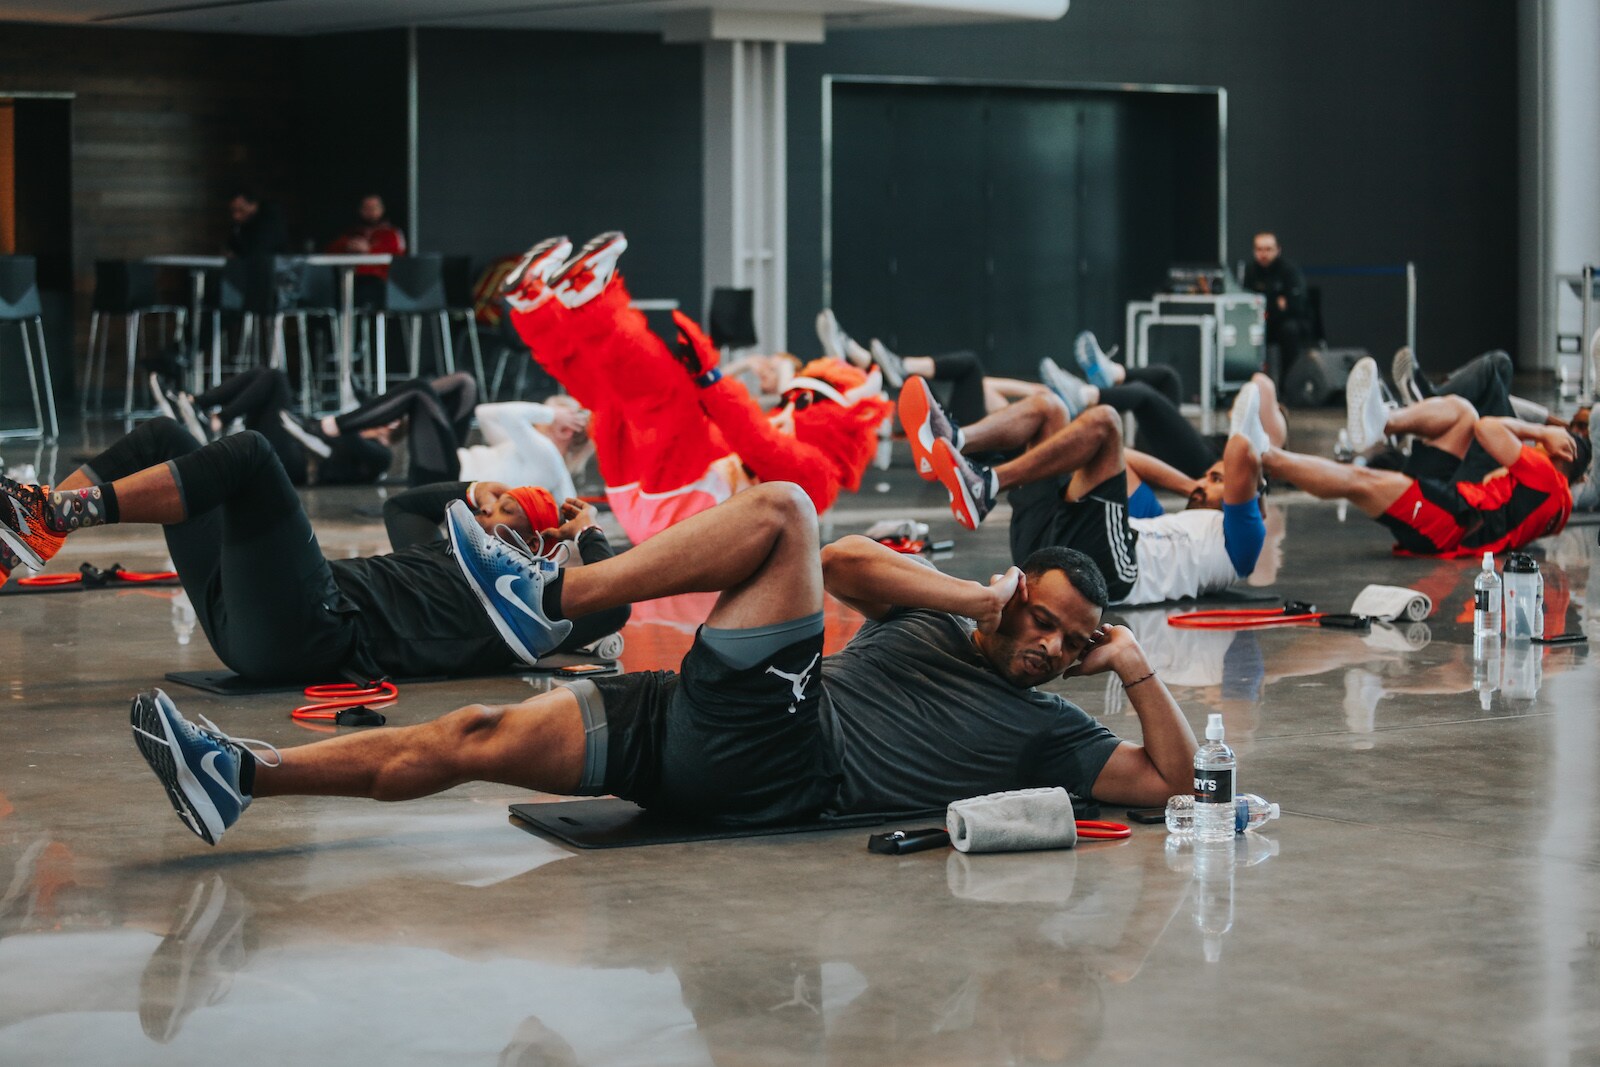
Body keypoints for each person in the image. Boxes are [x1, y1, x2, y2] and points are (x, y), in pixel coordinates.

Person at [124, 476, 1198, 846]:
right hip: (701, 724)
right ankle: (243, 775)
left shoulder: (1056, 731)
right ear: (1015, 600)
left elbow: (1174, 784)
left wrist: (1129, 663)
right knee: (474, 734)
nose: (1051, 647)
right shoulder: (940, 622)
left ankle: (550, 600)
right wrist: (976, 593)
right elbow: (850, 569)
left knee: (784, 510)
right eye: (1043, 620)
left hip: (786, 758)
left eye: (1072, 640)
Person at [0, 422, 628, 679]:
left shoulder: (529, 602)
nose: (487, 515)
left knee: (251, 454)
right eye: (491, 506)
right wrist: (470, 489)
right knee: (163, 439)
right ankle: (39, 527)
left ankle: (49, 513)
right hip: (259, 610)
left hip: (310, 629)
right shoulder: (448, 554)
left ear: (535, 542)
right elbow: (401, 508)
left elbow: (614, 605)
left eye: (505, 512)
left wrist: (586, 533)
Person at [504, 233, 892, 544]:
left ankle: (588, 293)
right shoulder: (790, 444)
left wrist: (710, 380)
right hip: (662, 505)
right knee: (609, 394)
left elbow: (758, 442)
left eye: (803, 399)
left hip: (689, 515)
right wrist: (706, 383)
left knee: (663, 395)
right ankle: (535, 303)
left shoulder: (821, 478)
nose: (790, 405)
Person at [902, 373, 1279, 606]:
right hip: (1046, 555)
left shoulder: (1240, 546)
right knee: (1050, 408)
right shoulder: (1158, 517)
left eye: (1217, 480)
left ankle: (988, 485)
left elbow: (1240, 453)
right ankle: (953, 440)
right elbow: (1124, 459)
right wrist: (1191, 484)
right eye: (1209, 476)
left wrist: (1252, 465)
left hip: (1110, 575)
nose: (1206, 483)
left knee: (1106, 421)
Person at [1263, 357, 1588, 557]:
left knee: (1360, 481)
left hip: (1450, 525)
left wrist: (1541, 431)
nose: (1541, 443)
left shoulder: (1548, 477)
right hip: (1459, 501)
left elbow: (1487, 429)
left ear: (1562, 450)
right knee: (1463, 412)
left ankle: (1264, 456)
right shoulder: (1559, 508)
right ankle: (1383, 422)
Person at [815, 309, 1046, 422]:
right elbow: (984, 384)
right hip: (966, 433)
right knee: (917, 381)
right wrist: (1033, 388)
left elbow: (984, 383)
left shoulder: (1040, 415)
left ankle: (882, 361)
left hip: (975, 446)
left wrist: (1032, 389)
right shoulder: (1009, 406)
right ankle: (863, 360)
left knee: (970, 363)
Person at [1240, 232, 1312, 376]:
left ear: (1278, 250)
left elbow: (1294, 305)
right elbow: (1247, 301)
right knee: (1245, 330)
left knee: (1289, 330)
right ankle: (1249, 378)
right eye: (1259, 249)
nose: (1264, 254)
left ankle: (1290, 381)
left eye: (1268, 249)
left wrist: (1270, 306)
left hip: (1287, 322)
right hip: (1261, 321)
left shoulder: (1289, 270)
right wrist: (1276, 303)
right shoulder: (1250, 271)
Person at [325, 193, 407, 307]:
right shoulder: (353, 232)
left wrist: (369, 250)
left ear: (382, 210)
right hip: (352, 279)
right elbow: (330, 250)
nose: (370, 212)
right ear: (360, 210)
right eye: (366, 208)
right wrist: (348, 246)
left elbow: (398, 257)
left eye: (374, 208)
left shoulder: (392, 233)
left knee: (369, 288)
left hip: (381, 282)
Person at [225, 188, 288, 259]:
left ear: (254, 205)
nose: (236, 216)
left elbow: (262, 247)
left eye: (241, 210)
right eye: (233, 211)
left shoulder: (269, 219)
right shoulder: (240, 226)